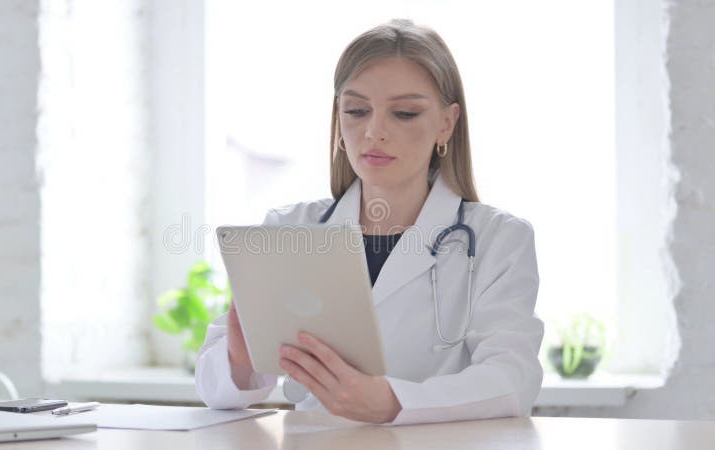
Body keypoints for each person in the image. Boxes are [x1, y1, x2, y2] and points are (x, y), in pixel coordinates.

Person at [195, 18, 543, 426]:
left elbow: (511, 379)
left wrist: (395, 402)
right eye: (357, 110)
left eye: (405, 113)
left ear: (446, 123)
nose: (374, 132)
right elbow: (215, 388)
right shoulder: (291, 227)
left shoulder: (499, 240)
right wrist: (241, 358)